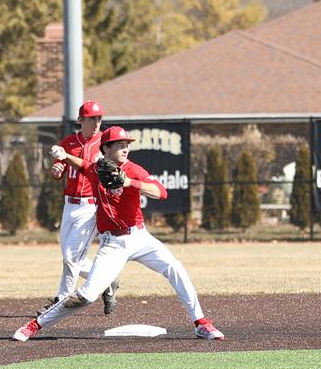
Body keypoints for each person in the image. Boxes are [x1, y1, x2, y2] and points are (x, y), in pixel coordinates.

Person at [17, 127, 223, 342]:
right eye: (120, 145)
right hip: (112, 243)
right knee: (86, 296)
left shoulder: (133, 170)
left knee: (175, 268)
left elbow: (161, 192)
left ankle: (200, 323)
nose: (125, 148)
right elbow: (84, 165)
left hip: (140, 237)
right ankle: (34, 325)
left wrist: (128, 182)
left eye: (127, 145)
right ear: (105, 148)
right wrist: (66, 156)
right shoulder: (97, 169)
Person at [43, 100, 120, 315]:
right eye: (91, 118)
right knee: (70, 256)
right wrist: (57, 171)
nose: (96, 122)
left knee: (72, 258)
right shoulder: (69, 142)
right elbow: (59, 170)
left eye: (99, 118)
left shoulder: (105, 143)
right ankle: (107, 280)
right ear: (81, 120)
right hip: (70, 204)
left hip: (91, 206)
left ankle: (61, 299)